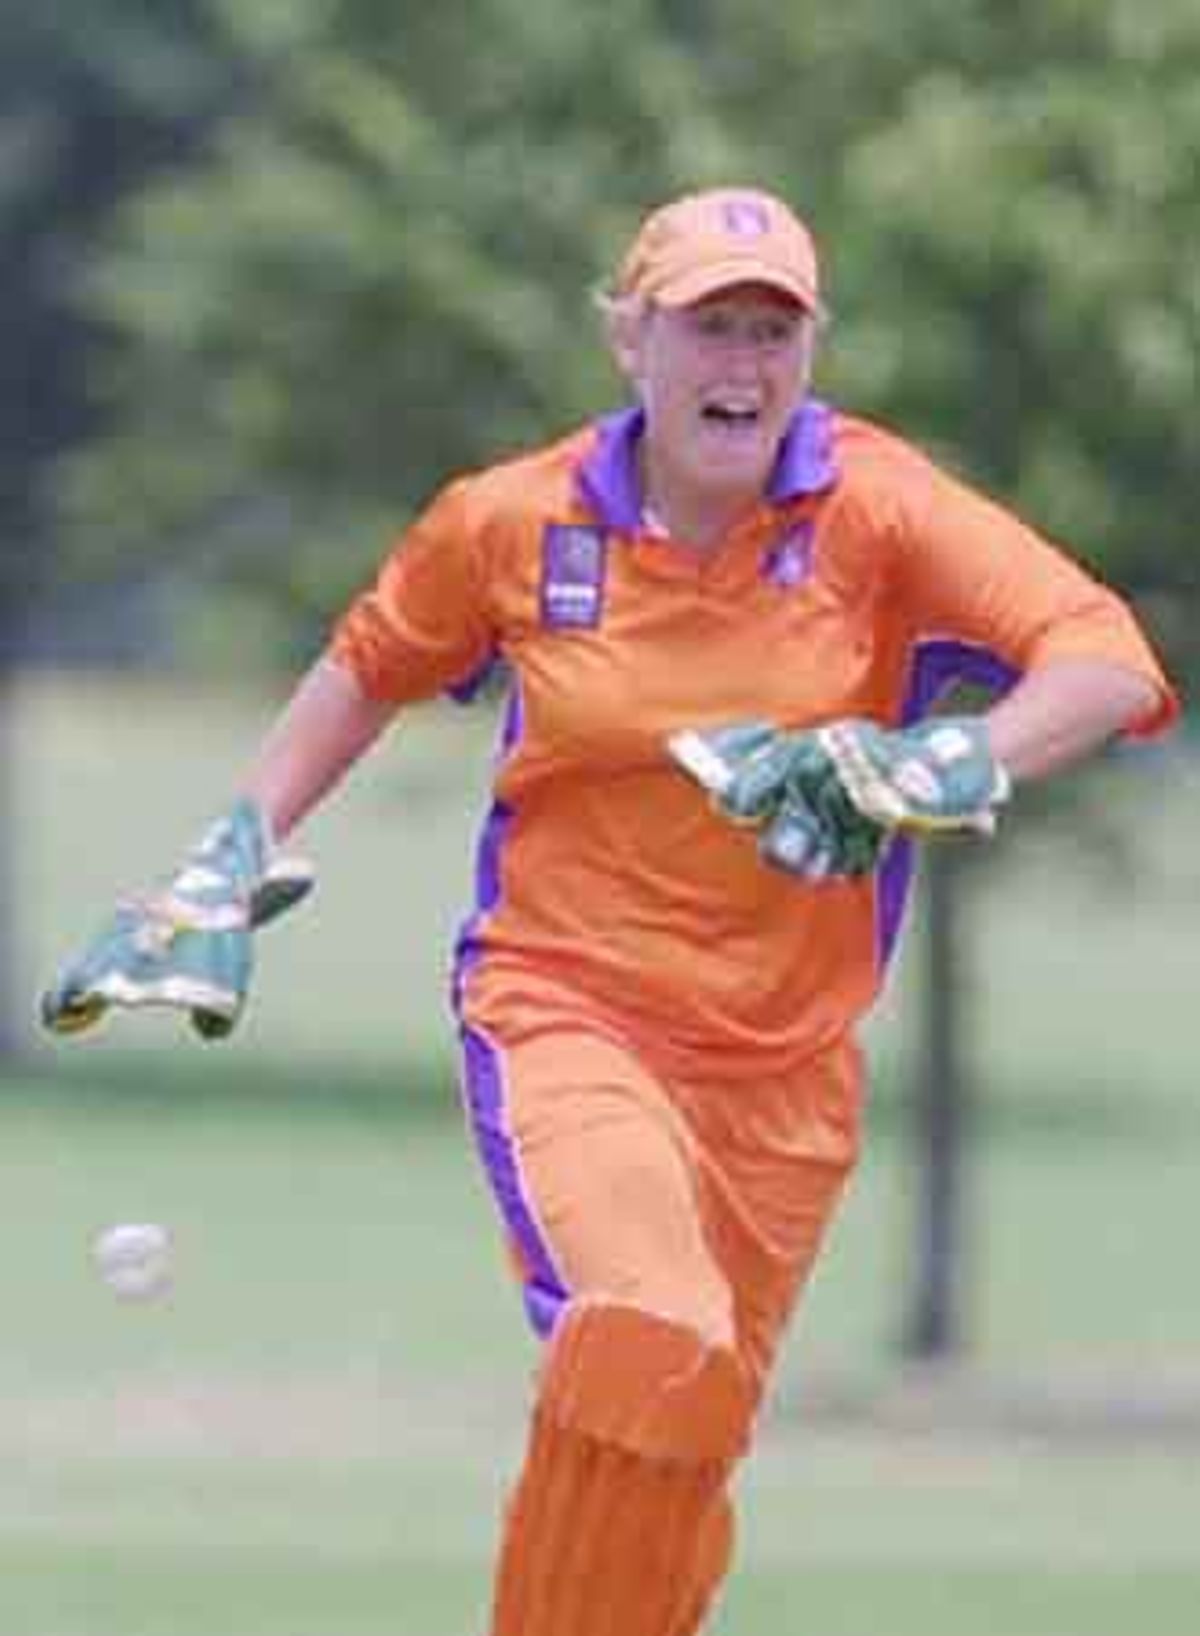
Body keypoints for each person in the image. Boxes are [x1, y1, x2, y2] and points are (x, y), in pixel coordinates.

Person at [43, 185, 1178, 1635]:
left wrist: (943, 756)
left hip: (787, 1079)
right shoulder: (511, 523)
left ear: (811, 351)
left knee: (686, 1461)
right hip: (567, 1013)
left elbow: (1109, 660)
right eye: (711, 327)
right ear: (633, 340)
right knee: (654, 1336)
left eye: (775, 329)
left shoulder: (877, 510)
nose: (744, 364)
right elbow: (373, 661)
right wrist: (235, 839)